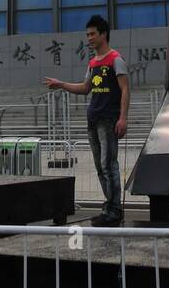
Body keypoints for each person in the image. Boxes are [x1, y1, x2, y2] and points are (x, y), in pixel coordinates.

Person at [45, 16, 130, 226]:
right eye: (87, 35)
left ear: (103, 34)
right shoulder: (93, 63)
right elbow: (85, 88)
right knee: (100, 167)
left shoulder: (115, 59)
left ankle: (115, 209)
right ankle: (109, 206)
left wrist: (123, 118)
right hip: (93, 119)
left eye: (92, 34)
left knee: (108, 165)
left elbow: (126, 89)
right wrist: (61, 84)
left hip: (109, 120)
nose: (89, 38)